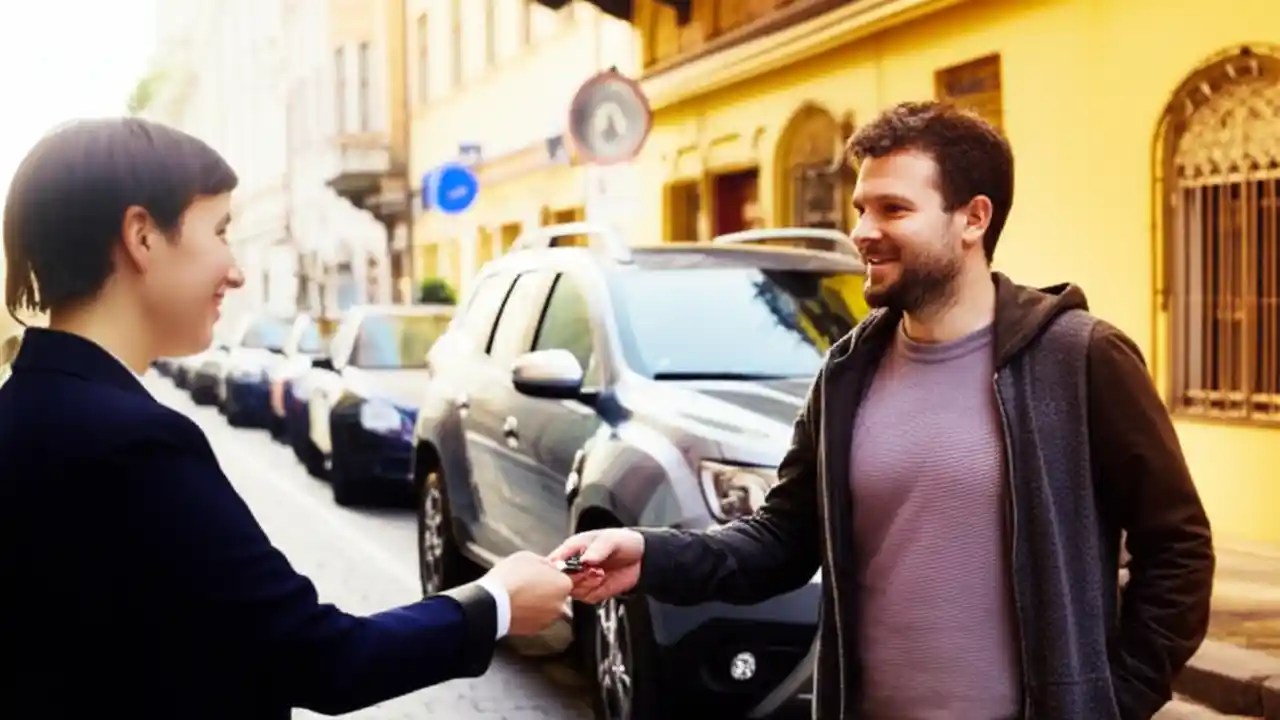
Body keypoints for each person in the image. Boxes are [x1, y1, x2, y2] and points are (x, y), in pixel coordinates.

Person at [552, 101, 1215, 720]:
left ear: (973, 219)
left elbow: (1177, 547)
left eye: (893, 209)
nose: (863, 232)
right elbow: (780, 543)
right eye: (861, 207)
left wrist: (1116, 699)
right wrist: (649, 554)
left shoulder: (1078, 358)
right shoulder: (847, 373)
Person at [0, 118, 573, 718]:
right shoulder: (131, 442)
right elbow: (316, 658)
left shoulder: (27, 411)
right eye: (220, 231)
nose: (236, 270)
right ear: (142, 237)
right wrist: (497, 603)